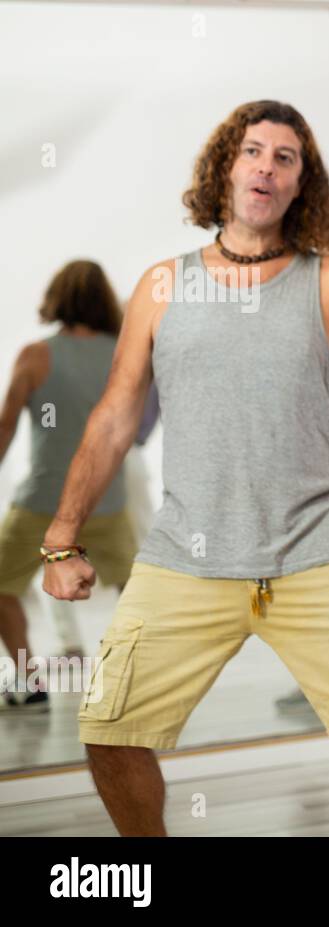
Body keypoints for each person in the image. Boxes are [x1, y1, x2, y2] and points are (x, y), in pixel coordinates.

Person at [40, 100, 329, 836]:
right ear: (224, 168)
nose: (266, 166)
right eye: (252, 151)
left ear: (302, 183)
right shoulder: (161, 287)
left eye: (285, 157)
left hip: (320, 557)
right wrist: (61, 534)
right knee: (109, 726)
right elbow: (114, 417)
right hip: (185, 556)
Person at [0, 261, 137, 710]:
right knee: (135, 591)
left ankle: (28, 680)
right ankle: (130, 679)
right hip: (109, 501)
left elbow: (4, 431)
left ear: (55, 296)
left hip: (44, 503)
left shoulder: (36, 355)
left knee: (2, 587)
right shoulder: (125, 354)